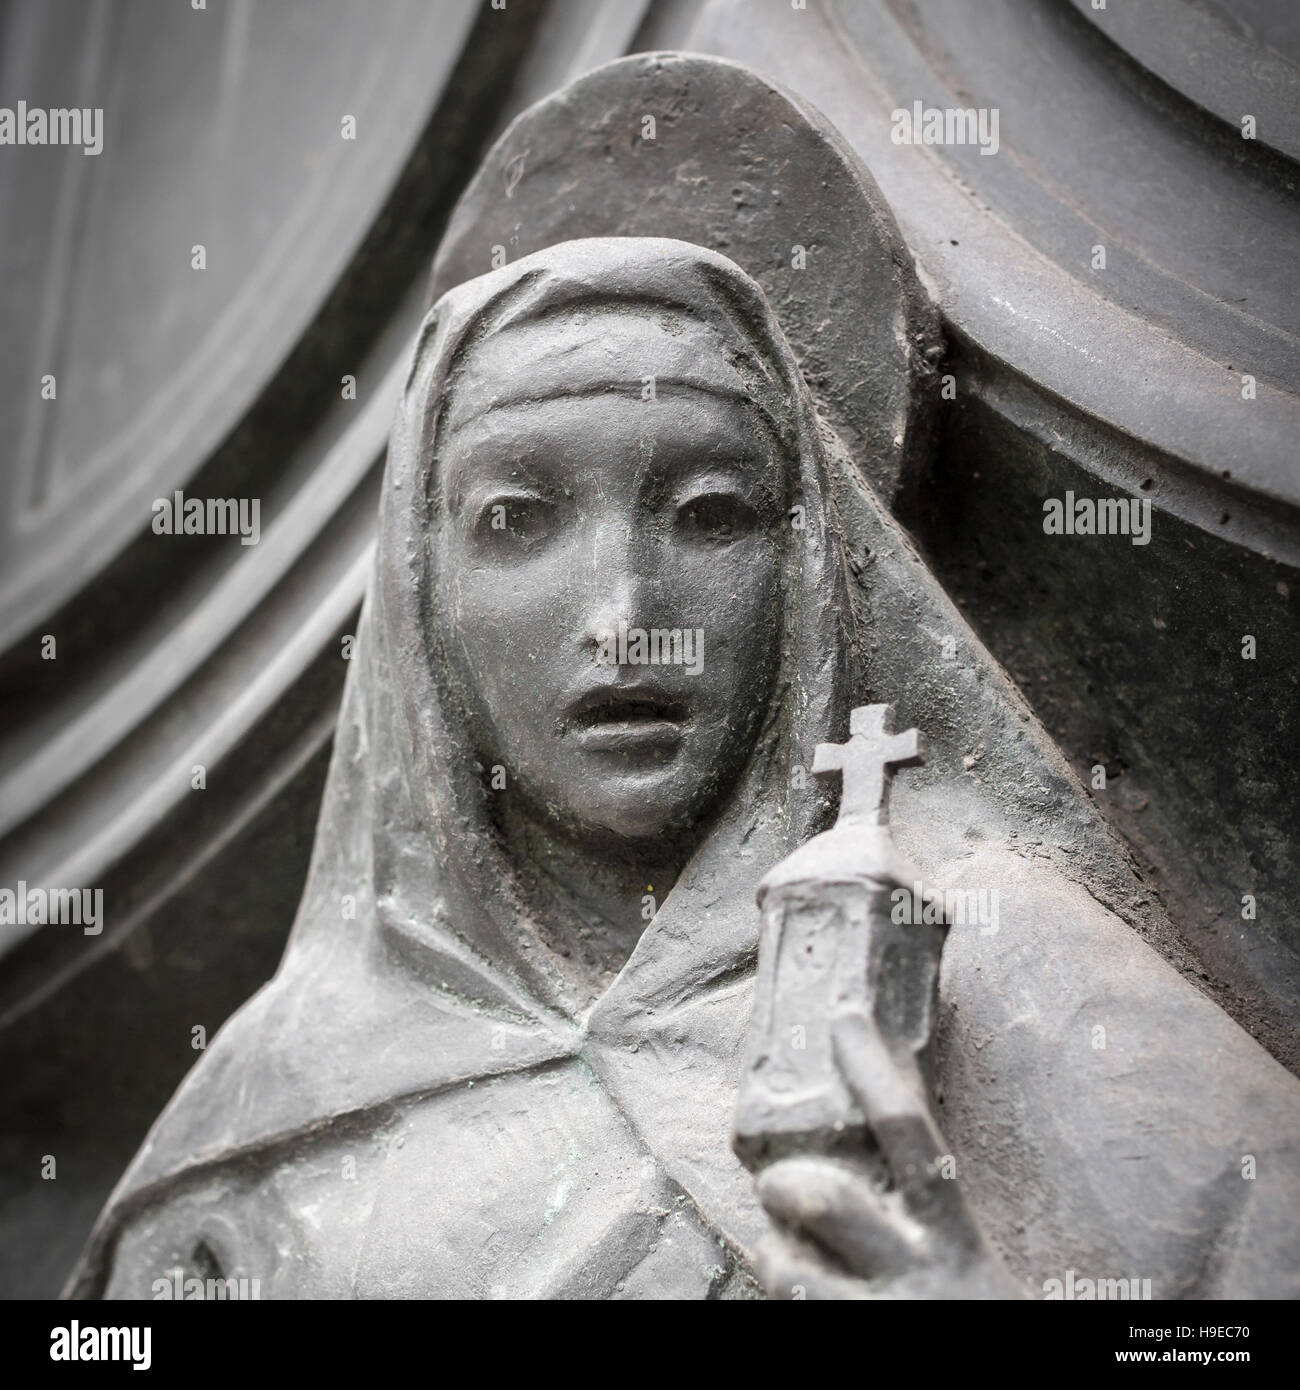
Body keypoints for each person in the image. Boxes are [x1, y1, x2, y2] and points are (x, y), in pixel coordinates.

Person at [69, 239, 1300, 1300]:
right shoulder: (265, 1129)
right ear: (418, 598)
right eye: (516, 520)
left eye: (710, 512)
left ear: (809, 572)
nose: (623, 618)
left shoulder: (991, 970)